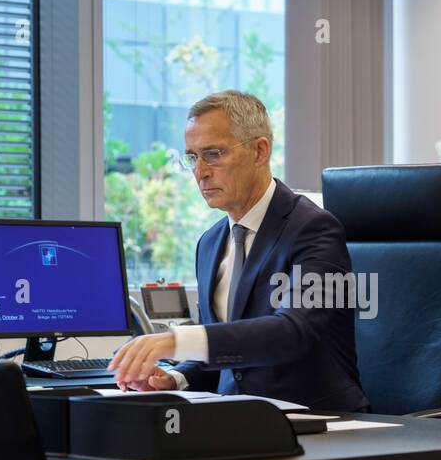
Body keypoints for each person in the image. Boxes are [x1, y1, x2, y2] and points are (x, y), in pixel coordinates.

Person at [110, 89, 369, 412]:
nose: (200, 171)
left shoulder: (314, 229)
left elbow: (293, 332)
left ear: (260, 151)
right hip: (240, 423)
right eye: (192, 157)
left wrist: (175, 340)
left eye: (213, 154)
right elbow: (224, 350)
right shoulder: (209, 243)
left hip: (324, 426)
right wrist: (175, 378)